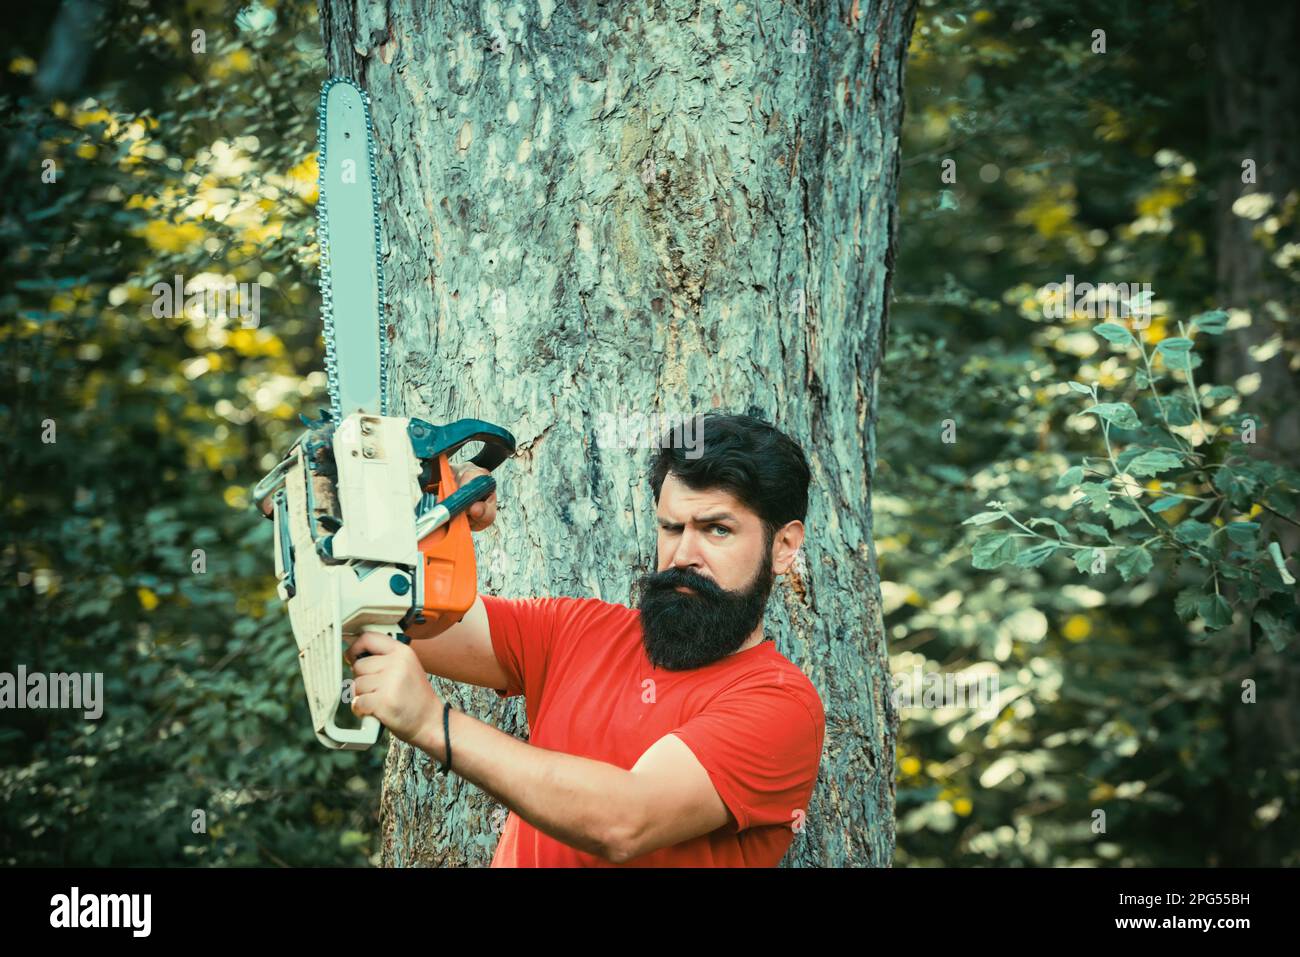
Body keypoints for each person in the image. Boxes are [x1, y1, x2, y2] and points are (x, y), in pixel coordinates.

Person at [344, 412, 825, 866]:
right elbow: (380, 614)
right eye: (672, 527)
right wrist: (429, 511)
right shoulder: (577, 631)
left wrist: (432, 723)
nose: (684, 554)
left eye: (717, 530)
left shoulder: (779, 705)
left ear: (783, 547)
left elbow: (624, 821)